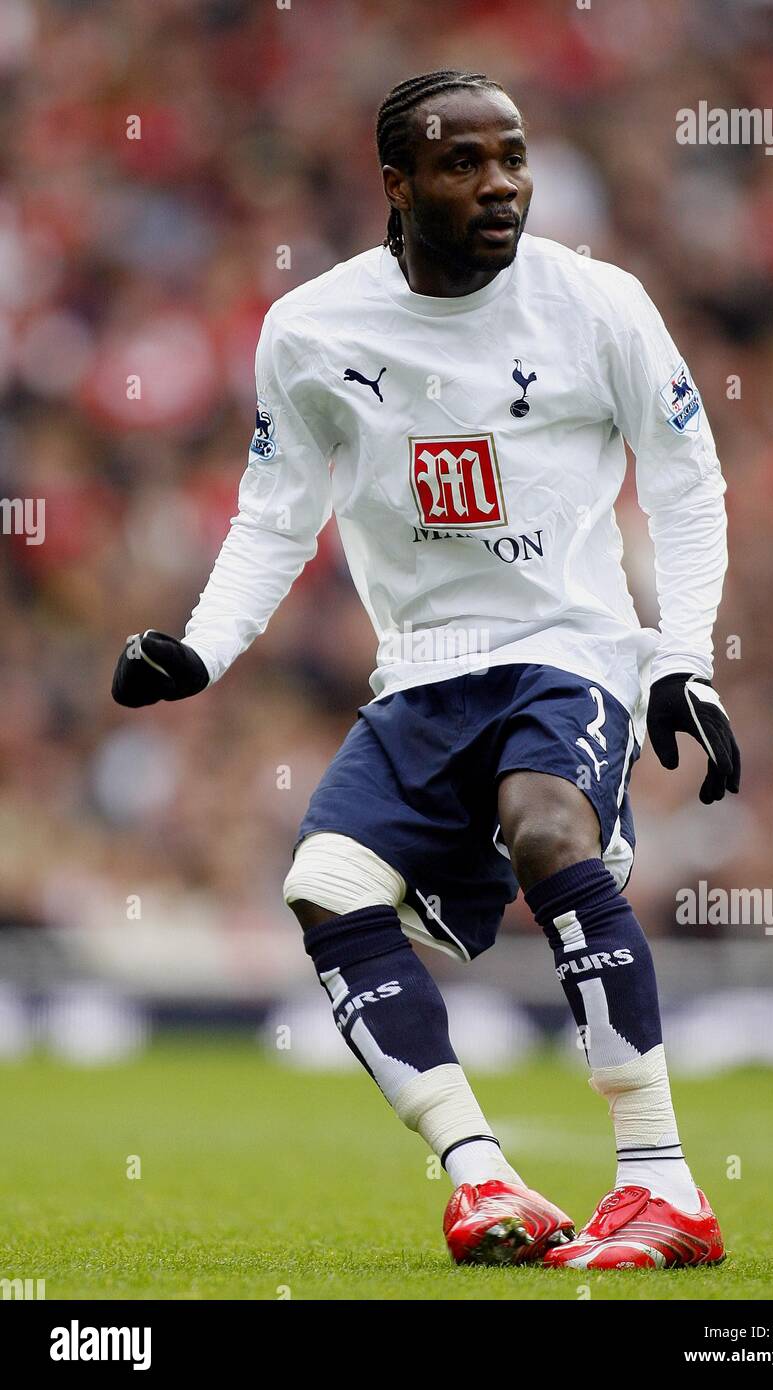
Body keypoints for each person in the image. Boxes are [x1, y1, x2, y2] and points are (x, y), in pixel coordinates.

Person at [113, 69, 740, 1271]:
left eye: (512, 159)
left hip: (569, 648)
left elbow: (685, 485)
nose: (499, 185)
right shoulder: (310, 331)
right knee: (325, 882)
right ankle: (481, 1176)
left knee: (543, 831)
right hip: (418, 675)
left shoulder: (597, 304)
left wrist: (681, 658)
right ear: (396, 185)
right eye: (464, 163)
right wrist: (199, 649)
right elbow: (272, 518)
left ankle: (664, 1182)